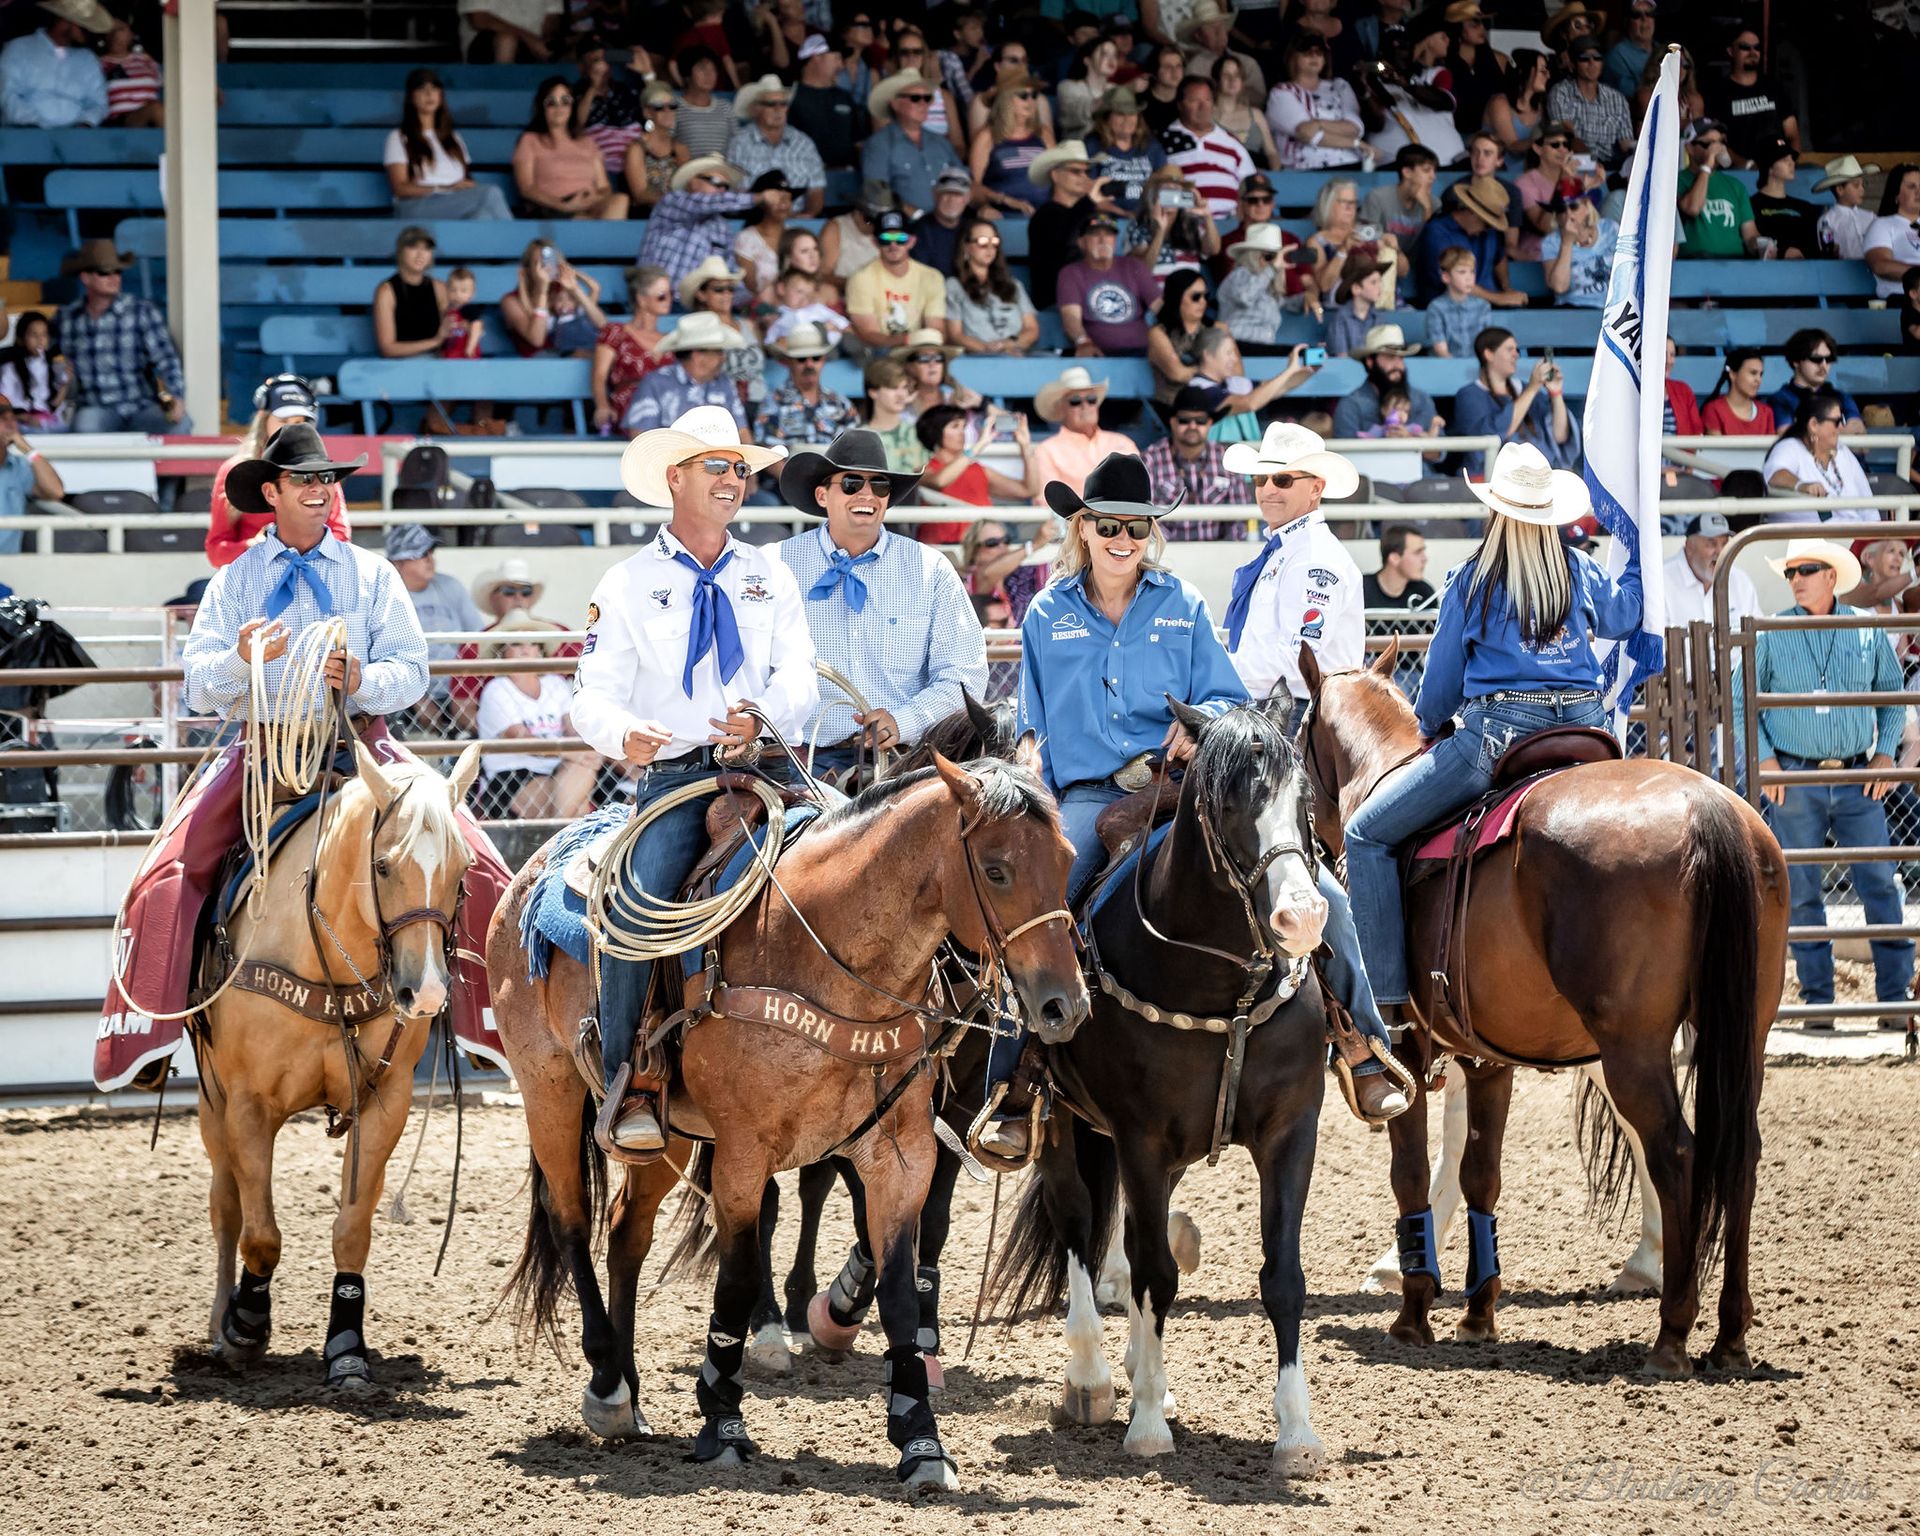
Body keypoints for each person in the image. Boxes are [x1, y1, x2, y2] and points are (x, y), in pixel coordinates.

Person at [107, 423, 505, 1070]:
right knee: (173, 867)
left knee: (466, 847)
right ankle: (151, 1029)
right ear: (272, 490)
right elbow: (197, 689)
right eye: (305, 480)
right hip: (267, 751)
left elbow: (412, 671)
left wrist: (361, 679)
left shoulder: (371, 575)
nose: (321, 490)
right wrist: (241, 660)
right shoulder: (235, 581)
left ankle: (482, 1022)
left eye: (327, 480)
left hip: (360, 748)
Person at [571, 405, 814, 1150]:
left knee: (870, 855)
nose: (734, 478)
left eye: (741, 468)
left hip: (773, 768)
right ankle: (630, 1076)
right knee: (637, 903)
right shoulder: (626, 581)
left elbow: (800, 671)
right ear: (675, 477)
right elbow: (589, 693)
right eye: (718, 464)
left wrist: (764, 715)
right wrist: (623, 733)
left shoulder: (770, 572)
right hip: (677, 777)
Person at [1343, 441, 1642, 1023]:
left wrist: (1429, 728)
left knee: (1364, 834)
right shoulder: (1578, 570)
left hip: (1499, 736)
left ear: (1495, 510)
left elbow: (1440, 688)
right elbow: (1626, 617)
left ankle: (1385, 1002)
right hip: (1588, 730)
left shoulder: (1472, 580)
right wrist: (1634, 557)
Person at [1203, 422, 1409, 1121]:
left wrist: (1210, 686)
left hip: (1293, 727)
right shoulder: (1287, 554)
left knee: (1314, 877)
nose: (1267, 489)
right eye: (1262, 478)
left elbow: (1297, 657)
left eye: (1282, 479)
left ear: (1315, 486)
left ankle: (1360, 1038)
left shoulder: (1316, 561)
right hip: (1264, 718)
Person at [1015, 453, 1246, 914]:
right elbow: (1030, 724)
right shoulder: (1045, 612)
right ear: (1082, 528)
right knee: (1042, 910)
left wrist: (1200, 722)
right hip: (1088, 795)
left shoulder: (1185, 604)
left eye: (1137, 528)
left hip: (1177, 784)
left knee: (1279, 880)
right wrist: (1030, 767)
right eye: (1108, 527)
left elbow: (1231, 699)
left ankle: (1349, 984)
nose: (1123, 539)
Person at [1747, 538, 1910, 1027]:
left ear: (1831, 576)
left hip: (1858, 772)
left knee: (1879, 883)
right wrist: (1767, 762)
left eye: (1806, 570)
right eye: (1791, 572)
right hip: (1795, 773)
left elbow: (1893, 696)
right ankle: (1819, 1004)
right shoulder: (1772, 632)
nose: (1795, 579)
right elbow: (1741, 702)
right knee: (1802, 889)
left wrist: (1886, 755)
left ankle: (1896, 1002)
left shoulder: (1866, 628)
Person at [776, 428, 985, 778]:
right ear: (822, 495)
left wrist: (904, 722)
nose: (868, 494)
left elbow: (965, 676)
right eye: (852, 483)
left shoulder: (931, 569)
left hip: (905, 761)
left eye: (880, 486)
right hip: (799, 761)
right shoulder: (776, 564)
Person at [208, 375, 350, 567]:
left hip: (313, 573)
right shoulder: (235, 470)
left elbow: (341, 537)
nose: (292, 429)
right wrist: (255, 546)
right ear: (263, 419)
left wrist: (303, 552)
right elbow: (216, 552)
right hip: (252, 577)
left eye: (301, 421)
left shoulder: (324, 471)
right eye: (284, 420)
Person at [53, 240, 189, 434]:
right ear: (85, 277)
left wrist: (177, 396)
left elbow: (167, 359)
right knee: (85, 427)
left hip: (142, 407)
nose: (114, 277)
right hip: (95, 409)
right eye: (104, 272)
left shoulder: (141, 311)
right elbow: (42, 356)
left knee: (181, 423)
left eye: (117, 271)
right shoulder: (66, 318)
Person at [472, 613, 597, 821]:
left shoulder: (555, 683)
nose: (525, 649)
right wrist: (569, 753)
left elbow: (573, 728)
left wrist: (579, 752)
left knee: (584, 765)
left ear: (540, 651)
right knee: (576, 804)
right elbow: (522, 739)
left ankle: (553, 833)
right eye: (516, 643)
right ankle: (560, 834)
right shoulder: (496, 689)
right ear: (503, 652)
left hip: (559, 768)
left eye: (532, 643)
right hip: (512, 774)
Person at [387, 522, 485, 732]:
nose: (429, 559)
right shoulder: (386, 595)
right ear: (397, 563)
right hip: (410, 689)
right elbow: (387, 654)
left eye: (430, 552)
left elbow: (477, 638)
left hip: (461, 686)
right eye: (419, 554)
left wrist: (466, 687)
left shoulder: (450, 586)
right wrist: (418, 698)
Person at [386, 68, 512, 220]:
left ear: (440, 95)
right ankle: (526, 243)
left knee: (482, 217)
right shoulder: (399, 137)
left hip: (454, 204)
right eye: (421, 88)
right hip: (417, 205)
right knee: (491, 193)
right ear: (411, 97)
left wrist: (462, 189)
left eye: (434, 88)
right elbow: (400, 189)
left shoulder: (454, 138)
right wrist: (446, 189)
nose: (429, 93)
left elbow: (466, 179)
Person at [1453, 327, 1577, 479]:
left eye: (1516, 349)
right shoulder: (1469, 395)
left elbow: (1559, 436)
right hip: (1497, 479)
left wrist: (1556, 393)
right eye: (1509, 349)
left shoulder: (1525, 389)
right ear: (1489, 354)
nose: (1516, 355)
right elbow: (1494, 433)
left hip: (1541, 477)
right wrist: (1532, 388)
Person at [636, 156, 759, 295]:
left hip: (698, 304)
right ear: (693, 182)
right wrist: (758, 198)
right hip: (656, 298)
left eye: (726, 187)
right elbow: (702, 203)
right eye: (716, 182)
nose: (722, 190)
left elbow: (729, 270)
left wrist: (750, 302)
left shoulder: (722, 227)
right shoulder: (671, 201)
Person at [513, 75, 629, 219]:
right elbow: (526, 188)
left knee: (620, 200)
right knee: (582, 219)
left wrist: (589, 201)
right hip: (553, 207)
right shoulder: (530, 140)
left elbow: (604, 187)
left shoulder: (587, 143)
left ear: (572, 105)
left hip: (589, 204)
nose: (559, 107)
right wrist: (563, 205)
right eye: (551, 102)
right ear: (542, 107)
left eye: (565, 101)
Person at [1141, 385, 1250, 537]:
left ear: (1210, 423)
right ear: (1172, 422)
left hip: (1221, 554)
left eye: (1200, 421)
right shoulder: (1150, 460)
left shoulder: (1226, 459)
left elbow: (1240, 517)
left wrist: (1227, 551)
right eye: (1184, 420)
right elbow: (1145, 518)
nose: (1192, 426)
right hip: (1167, 555)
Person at [623, 310, 751, 436]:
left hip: (720, 456)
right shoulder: (656, 384)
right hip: (672, 456)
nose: (723, 358)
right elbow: (641, 435)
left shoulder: (725, 383)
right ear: (697, 355)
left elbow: (742, 431)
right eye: (718, 352)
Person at [863, 67, 964, 218]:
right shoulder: (879, 144)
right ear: (895, 104)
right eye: (916, 98)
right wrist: (915, 214)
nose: (924, 104)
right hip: (903, 229)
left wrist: (993, 200)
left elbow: (963, 181)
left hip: (949, 223)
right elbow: (877, 192)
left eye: (927, 98)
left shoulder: (941, 142)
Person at [1059, 211, 1162, 356]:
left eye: (1108, 234)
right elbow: (1071, 317)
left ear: (1115, 240)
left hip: (1143, 352)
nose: (1103, 240)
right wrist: (1083, 341)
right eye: (1095, 234)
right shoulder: (1071, 273)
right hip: (1100, 353)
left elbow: (1160, 306)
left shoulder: (1134, 266)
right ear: (1081, 242)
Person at [844, 210, 947, 353]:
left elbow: (936, 329)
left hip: (919, 351)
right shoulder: (860, 279)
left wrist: (918, 343)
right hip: (880, 354)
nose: (893, 245)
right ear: (875, 242)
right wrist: (908, 340)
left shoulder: (932, 277)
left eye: (900, 238)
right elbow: (868, 335)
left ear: (911, 241)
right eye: (885, 239)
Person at [1762, 393, 1877, 520]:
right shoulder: (1790, 447)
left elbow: (1868, 506)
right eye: (1837, 421)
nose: (1842, 427)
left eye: (1843, 420)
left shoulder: (1843, 451)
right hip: (1810, 536)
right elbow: (1775, 475)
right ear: (1814, 425)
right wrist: (1801, 485)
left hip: (1855, 533)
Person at [727, 74, 828, 218]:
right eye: (770, 104)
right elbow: (735, 192)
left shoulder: (804, 143)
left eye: (783, 104)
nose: (778, 109)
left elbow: (816, 190)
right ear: (755, 109)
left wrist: (807, 215)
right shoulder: (739, 143)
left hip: (796, 221)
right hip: (753, 221)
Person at [1413, 177, 1524, 307]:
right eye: (1487, 223)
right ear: (1472, 212)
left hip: (1490, 309)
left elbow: (1499, 257)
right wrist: (1499, 298)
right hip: (1449, 310)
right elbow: (1453, 281)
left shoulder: (1490, 231)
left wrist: (1506, 288)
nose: (1489, 228)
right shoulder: (1436, 232)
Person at [1160, 76, 1255, 226]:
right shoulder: (1163, 141)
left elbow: (1251, 187)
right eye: (1194, 100)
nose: (1202, 107)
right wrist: (1190, 202)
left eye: (1207, 100)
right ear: (1180, 104)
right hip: (1183, 225)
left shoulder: (1232, 143)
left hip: (1230, 225)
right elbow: (1153, 194)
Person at [1029, 368, 1139, 497]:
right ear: (1061, 408)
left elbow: (1138, 492)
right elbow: (1048, 501)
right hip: (1073, 517)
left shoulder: (1123, 443)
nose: (1085, 406)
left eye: (1091, 399)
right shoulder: (1046, 451)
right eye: (1075, 401)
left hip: (1122, 515)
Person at [0, 0, 110, 129]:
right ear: (65, 22)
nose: (89, 31)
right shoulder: (18, 48)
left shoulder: (88, 59)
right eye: (84, 26)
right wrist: (35, 125)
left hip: (78, 138)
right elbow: (7, 95)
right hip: (24, 134)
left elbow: (99, 103)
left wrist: (84, 124)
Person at [1264, 33, 1364, 172]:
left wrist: (1318, 123)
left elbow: (1356, 128)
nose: (1314, 56)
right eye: (1307, 52)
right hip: (1305, 170)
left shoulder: (1340, 85)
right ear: (1293, 57)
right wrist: (1358, 144)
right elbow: (1306, 133)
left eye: (1319, 52)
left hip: (1351, 163)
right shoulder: (1281, 92)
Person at [755, 323, 859, 456]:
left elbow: (853, 449)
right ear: (788, 361)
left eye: (816, 358)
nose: (809, 364)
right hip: (787, 474)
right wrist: (791, 477)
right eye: (801, 359)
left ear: (823, 360)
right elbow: (768, 454)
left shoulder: (841, 403)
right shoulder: (772, 402)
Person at [1703, 25, 1800, 167]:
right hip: (1738, 174)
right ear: (1731, 51)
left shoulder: (1774, 87)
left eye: (1757, 47)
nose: (1753, 52)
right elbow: (1715, 140)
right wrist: (1747, 166)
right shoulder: (1718, 92)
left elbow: (1793, 134)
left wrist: (1791, 162)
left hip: (1778, 172)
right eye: (1745, 47)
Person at [592, 266, 674, 433]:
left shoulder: (672, 339)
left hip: (669, 407)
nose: (669, 300)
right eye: (661, 296)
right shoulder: (616, 332)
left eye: (670, 294)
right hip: (630, 407)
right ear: (642, 299)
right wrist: (602, 406)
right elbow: (599, 375)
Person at [917, 402, 1038, 513]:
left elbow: (1027, 490)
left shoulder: (978, 470)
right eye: (955, 426)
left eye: (963, 427)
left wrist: (1025, 446)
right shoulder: (922, 470)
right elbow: (940, 481)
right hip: (940, 537)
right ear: (935, 432)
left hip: (982, 535)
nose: (962, 432)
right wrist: (979, 444)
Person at [944, 218, 1040, 355]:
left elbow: (1032, 329)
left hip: (1017, 355)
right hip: (978, 358)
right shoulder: (953, 285)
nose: (990, 248)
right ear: (966, 247)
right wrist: (989, 350)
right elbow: (955, 335)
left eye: (994, 242)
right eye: (982, 242)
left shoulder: (1014, 284)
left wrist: (1009, 345)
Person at [1333, 326, 1444, 442]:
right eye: (1390, 357)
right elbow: (1344, 456)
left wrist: (1409, 439)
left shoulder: (1422, 399)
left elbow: (1438, 454)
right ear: (1370, 361)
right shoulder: (1351, 405)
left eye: (1401, 357)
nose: (1398, 365)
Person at [1514, 123, 1604, 262]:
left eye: (1566, 144)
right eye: (1555, 145)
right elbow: (1546, 227)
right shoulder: (1525, 182)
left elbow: (1590, 222)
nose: (1562, 150)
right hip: (1542, 251)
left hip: (1580, 248)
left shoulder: (1577, 179)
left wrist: (1586, 189)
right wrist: (1563, 182)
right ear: (1537, 148)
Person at [968, 70, 1052, 216]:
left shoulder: (1043, 133)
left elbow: (1059, 175)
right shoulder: (987, 136)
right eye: (1023, 96)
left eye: (1034, 96)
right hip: (1004, 214)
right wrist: (1004, 201)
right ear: (1005, 99)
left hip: (1044, 215)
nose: (1030, 101)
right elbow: (975, 187)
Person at [501, 240, 606, 357]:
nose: (547, 267)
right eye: (540, 263)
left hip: (573, 352)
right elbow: (537, 340)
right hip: (539, 362)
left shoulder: (562, 291)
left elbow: (602, 325)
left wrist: (575, 287)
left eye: (551, 262)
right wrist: (542, 290)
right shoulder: (511, 300)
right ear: (528, 269)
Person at [1677, 123, 1765, 259]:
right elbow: (1692, 208)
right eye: (1709, 144)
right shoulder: (1676, 181)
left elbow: (1750, 234)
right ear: (1689, 148)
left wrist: (1762, 246)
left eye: (1720, 142)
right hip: (1696, 263)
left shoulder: (1735, 185)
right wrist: (1707, 166)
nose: (1717, 149)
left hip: (1736, 263)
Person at [1661, 511, 1761, 629]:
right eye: (1711, 543)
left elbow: (1758, 635)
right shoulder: (1662, 581)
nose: (1720, 552)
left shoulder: (1740, 581)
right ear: (1689, 546)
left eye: (1725, 544)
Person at [1544, 40, 1634, 170]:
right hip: (1572, 166)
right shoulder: (1560, 93)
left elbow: (1626, 143)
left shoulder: (1617, 98)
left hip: (1610, 167)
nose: (1592, 63)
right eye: (1584, 59)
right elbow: (1568, 137)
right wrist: (1592, 164)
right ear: (1574, 64)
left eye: (1597, 58)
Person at [1130, 163, 1224, 281]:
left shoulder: (1191, 221)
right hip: (1156, 294)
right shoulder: (1140, 223)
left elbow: (1213, 250)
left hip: (1189, 292)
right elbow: (1141, 271)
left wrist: (1208, 216)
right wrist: (1160, 231)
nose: (1172, 192)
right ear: (1155, 192)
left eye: (1176, 188)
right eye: (1167, 188)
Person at [1084, 87, 1166, 219]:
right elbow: (1089, 194)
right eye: (1120, 114)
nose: (1127, 119)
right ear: (1106, 118)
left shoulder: (1151, 146)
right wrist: (1125, 214)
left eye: (1132, 113)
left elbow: (1164, 184)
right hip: (1105, 222)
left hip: (1147, 220)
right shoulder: (1093, 145)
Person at [1765, 328, 1864, 434]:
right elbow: (1788, 438)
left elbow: (1858, 432)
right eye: (1816, 359)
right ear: (1796, 361)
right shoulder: (1781, 399)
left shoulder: (1841, 397)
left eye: (1828, 359)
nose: (1824, 365)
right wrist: (1837, 432)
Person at [0, 396, 65, 556]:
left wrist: (28, 450)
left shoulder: (19, 466)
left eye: (12, 418)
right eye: (2, 419)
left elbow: (55, 492)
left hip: (10, 570)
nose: (10, 424)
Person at [791, 33, 864, 172]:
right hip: (806, 178)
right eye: (837, 58)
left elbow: (859, 142)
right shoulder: (790, 97)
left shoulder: (845, 97)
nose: (841, 65)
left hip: (847, 177)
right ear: (816, 56)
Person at [1215, 224, 1292, 350]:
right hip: (1236, 345)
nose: (1274, 262)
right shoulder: (1240, 274)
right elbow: (1245, 297)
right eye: (1269, 257)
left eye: (1276, 257)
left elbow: (1283, 303)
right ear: (1252, 256)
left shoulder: (1266, 282)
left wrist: (1309, 298)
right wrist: (1272, 270)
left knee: (1303, 353)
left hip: (1262, 346)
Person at [621, 83, 691, 212]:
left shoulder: (680, 148)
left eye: (672, 106)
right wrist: (671, 200)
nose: (668, 111)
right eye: (659, 107)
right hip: (647, 215)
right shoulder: (637, 148)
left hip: (678, 211)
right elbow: (640, 194)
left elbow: (687, 184)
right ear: (648, 112)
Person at [1146, 268, 1213, 402]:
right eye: (1196, 297)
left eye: (1206, 296)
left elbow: (1236, 371)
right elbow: (1178, 374)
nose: (1203, 301)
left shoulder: (1217, 328)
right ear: (1177, 297)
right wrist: (1216, 370)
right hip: (1176, 406)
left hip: (1212, 402)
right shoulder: (1158, 333)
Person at [1540, 197, 1619, 309]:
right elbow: (1559, 287)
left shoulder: (1610, 228)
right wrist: (1567, 243)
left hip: (1614, 307)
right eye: (1561, 209)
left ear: (1587, 206)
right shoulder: (1551, 242)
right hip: (1574, 309)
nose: (1568, 214)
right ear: (1556, 216)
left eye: (1573, 206)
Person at [1361, 145, 1441, 254]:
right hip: (1382, 261)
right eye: (1426, 170)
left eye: (1434, 171)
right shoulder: (1378, 197)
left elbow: (1433, 249)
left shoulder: (1434, 204)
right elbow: (1366, 239)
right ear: (1407, 172)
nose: (1433, 177)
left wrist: (1427, 209)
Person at [0, 313, 70, 431]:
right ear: (21, 339)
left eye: (44, 335)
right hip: (20, 420)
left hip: (47, 420)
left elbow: (54, 404)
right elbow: (5, 400)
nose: (40, 340)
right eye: (34, 335)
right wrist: (22, 416)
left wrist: (65, 383)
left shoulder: (51, 365)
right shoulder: (11, 367)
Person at [1750, 139, 1819, 260]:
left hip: (1806, 272)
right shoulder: (1750, 205)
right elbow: (1753, 245)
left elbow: (1815, 247)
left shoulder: (1806, 207)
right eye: (1784, 160)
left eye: (1792, 159)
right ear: (1769, 167)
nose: (1792, 163)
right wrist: (1782, 252)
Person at [1211, 54, 1279, 172]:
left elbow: (1272, 152)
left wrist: (1275, 174)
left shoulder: (1256, 115)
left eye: (1237, 75)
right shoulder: (1207, 115)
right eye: (1226, 75)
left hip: (1257, 178)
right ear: (1217, 79)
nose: (1232, 80)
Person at [1423, 246, 1493, 360]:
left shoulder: (1483, 306)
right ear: (1446, 277)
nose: (1469, 278)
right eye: (1462, 272)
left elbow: (1487, 345)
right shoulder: (1436, 308)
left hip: (1476, 367)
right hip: (1446, 368)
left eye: (1472, 272)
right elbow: (1441, 351)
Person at [732, 170, 795, 296]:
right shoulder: (746, 238)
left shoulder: (796, 235)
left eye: (787, 199)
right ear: (762, 202)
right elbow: (751, 287)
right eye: (777, 199)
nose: (783, 204)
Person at [859, 358, 925, 474]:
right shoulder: (860, 438)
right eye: (893, 388)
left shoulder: (918, 432)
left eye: (904, 387)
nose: (901, 395)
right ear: (873, 392)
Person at [1865, 163, 1920, 302]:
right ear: (1896, 194)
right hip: (1903, 300)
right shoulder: (1882, 225)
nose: (1919, 192)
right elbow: (1881, 266)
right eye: (1911, 187)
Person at [908, 165, 975, 278]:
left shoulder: (973, 228)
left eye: (957, 194)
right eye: (946, 193)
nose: (951, 200)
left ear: (967, 198)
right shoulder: (920, 230)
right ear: (935, 195)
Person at [670, 45, 736, 158]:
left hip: (722, 171)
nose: (709, 74)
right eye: (702, 68)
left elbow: (736, 144)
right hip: (687, 171)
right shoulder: (673, 106)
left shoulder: (725, 107)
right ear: (687, 73)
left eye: (713, 69)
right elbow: (665, 143)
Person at [1323, 256, 1394, 358]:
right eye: (1373, 282)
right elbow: (1341, 357)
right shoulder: (1341, 319)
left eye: (1380, 281)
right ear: (1356, 288)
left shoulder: (1378, 317)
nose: (1380, 287)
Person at [1815, 155, 1881, 262]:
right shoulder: (1827, 221)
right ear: (1840, 190)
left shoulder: (1870, 216)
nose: (1862, 190)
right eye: (1856, 186)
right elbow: (1828, 253)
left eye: (1863, 185)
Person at [1484, 48, 1549, 157]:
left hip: (1533, 172)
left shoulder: (1541, 105)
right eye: (1542, 71)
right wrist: (1546, 141)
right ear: (1523, 71)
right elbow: (1512, 147)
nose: (1548, 76)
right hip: (1503, 172)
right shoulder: (1499, 103)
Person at [1700, 348, 1778, 438]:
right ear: (1733, 374)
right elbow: (1717, 451)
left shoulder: (1766, 412)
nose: (1758, 380)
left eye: (1760, 374)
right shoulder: (1713, 410)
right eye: (1753, 373)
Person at [99, 16, 161, 127]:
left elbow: (166, 84)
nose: (115, 34)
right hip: (119, 121)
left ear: (131, 34)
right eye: (111, 29)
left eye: (120, 29)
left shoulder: (146, 60)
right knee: (156, 109)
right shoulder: (98, 64)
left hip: (152, 119)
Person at [1604, 0, 1658, 99]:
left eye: (1649, 14)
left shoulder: (1662, 49)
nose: (1644, 19)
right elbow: (1636, 99)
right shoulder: (1617, 56)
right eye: (1636, 15)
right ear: (1627, 21)